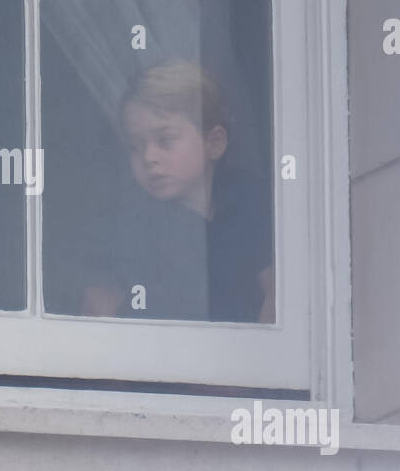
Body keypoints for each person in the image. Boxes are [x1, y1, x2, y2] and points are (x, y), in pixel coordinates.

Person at [81, 61, 275, 323]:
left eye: (165, 140)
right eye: (135, 147)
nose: (149, 157)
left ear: (214, 143)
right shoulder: (135, 223)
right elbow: (106, 301)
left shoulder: (249, 203)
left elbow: (277, 291)